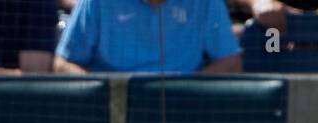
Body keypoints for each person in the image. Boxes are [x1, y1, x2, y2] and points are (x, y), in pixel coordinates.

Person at [54, 0, 241, 74]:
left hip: (182, 117)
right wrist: (105, 93)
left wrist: (186, 93)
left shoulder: (206, 2)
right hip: (110, 115)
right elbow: (63, 64)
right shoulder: (96, 2)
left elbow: (230, 63)